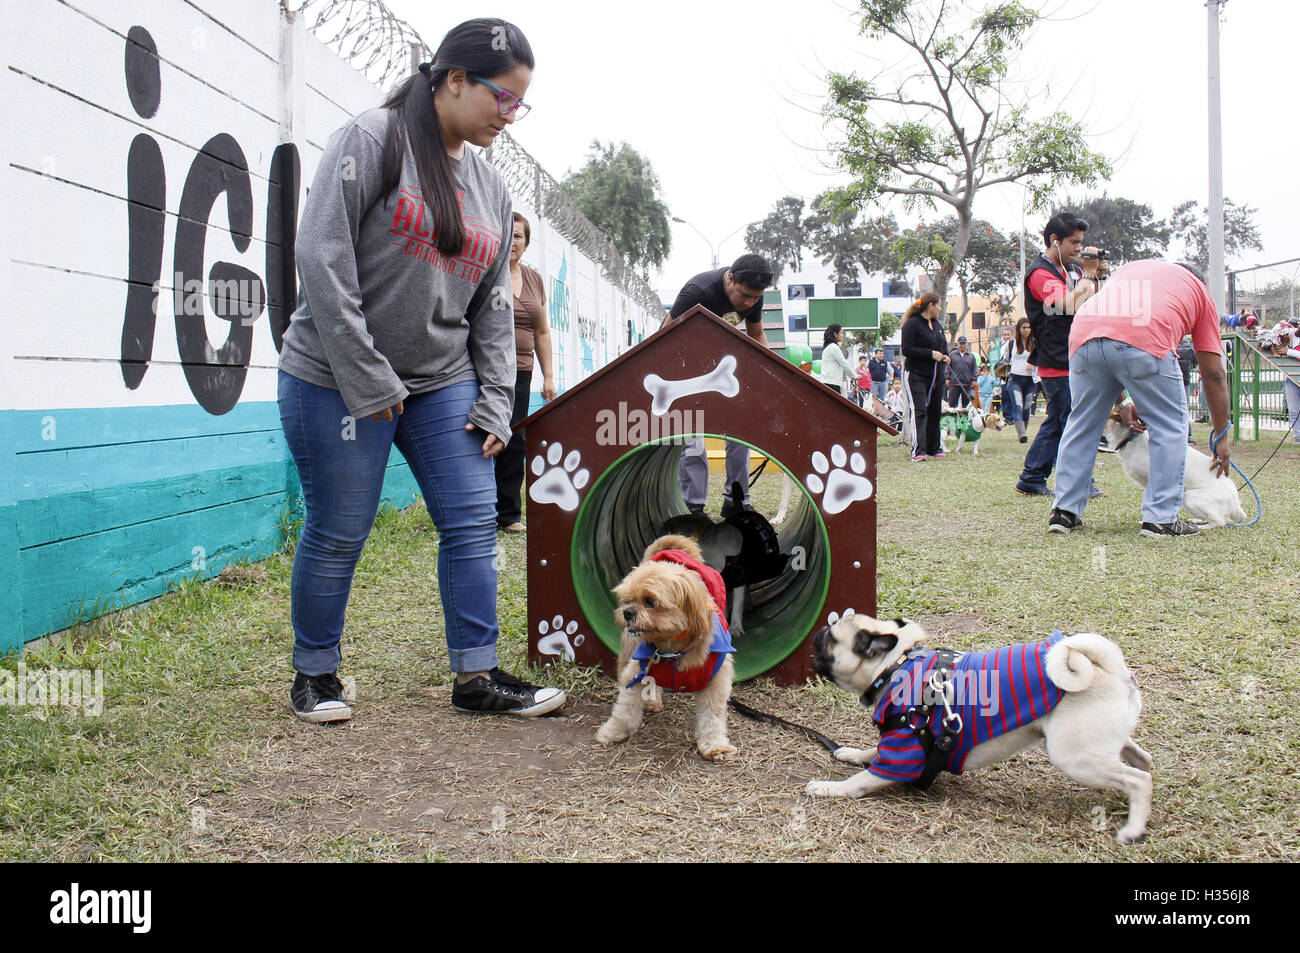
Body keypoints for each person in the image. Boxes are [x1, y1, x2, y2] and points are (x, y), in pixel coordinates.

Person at [277, 19, 565, 721]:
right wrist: (366, 375)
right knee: (341, 525)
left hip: (441, 379)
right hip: (334, 376)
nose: (509, 115)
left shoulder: (492, 191)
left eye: (519, 104)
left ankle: (477, 676)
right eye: (502, 98)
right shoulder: (372, 141)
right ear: (454, 80)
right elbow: (320, 257)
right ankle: (315, 676)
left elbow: (495, 308)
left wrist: (498, 397)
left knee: (471, 520)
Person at [1047, 261, 1231, 538]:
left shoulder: (1131, 270)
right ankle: (1160, 518)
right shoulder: (1199, 292)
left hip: (1084, 334)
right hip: (1146, 337)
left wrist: (1122, 403)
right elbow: (1213, 374)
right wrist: (1221, 435)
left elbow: (1108, 346)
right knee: (1169, 426)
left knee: (1082, 424)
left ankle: (1064, 511)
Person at [667, 254, 772, 516]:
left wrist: (769, 373)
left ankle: (736, 502)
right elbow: (664, 334)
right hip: (688, 376)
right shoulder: (698, 291)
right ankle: (693, 507)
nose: (749, 303)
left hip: (726, 375)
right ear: (730, 278)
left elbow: (756, 334)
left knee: (740, 438)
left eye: (755, 298)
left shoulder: (754, 297)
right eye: (745, 295)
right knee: (694, 443)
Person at [1014, 212, 1105, 497]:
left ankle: (1032, 477)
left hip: (1073, 355)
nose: (1079, 249)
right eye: (1074, 242)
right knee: (1070, 421)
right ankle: (1076, 484)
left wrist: (1096, 276)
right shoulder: (1040, 273)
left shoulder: (1071, 271)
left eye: (1081, 243)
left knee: (1060, 420)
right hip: (1056, 358)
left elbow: (1090, 301)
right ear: (1055, 240)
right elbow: (1066, 305)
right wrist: (1088, 275)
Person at [494, 212, 556, 532]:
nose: (513, 241)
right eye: (508, 234)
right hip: (487, 370)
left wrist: (548, 376)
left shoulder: (534, 280)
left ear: (526, 244)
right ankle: (478, 510)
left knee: (514, 439)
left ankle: (508, 516)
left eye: (518, 236)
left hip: (522, 371)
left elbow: (542, 332)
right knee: (487, 433)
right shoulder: (486, 274)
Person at [900, 292, 950, 460]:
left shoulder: (938, 326)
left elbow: (943, 347)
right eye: (939, 305)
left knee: (935, 411)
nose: (940, 308)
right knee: (920, 411)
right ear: (931, 306)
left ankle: (933, 447)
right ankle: (918, 451)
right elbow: (907, 349)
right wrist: (930, 354)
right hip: (916, 375)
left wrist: (946, 356)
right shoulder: (912, 325)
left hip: (936, 376)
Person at [1005, 317, 1035, 443]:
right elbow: (1005, 359)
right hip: (1015, 379)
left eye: (1029, 327)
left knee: (1027, 407)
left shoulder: (1035, 343)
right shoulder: (1011, 344)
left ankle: (1024, 432)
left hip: (1031, 380)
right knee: (1018, 405)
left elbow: (1041, 357)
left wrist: (1034, 363)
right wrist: (1004, 371)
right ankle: (1021, 434)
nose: (1027, 330)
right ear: (1018, 329)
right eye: (1024, 327)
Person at [819, 323, 853, 395]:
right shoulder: (833, 347)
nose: (842, 335)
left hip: (829, 382)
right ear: (835, 334)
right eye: (841, 333)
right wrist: (854, 375)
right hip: (832, 383)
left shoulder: (829, 346)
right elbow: (843, 363)